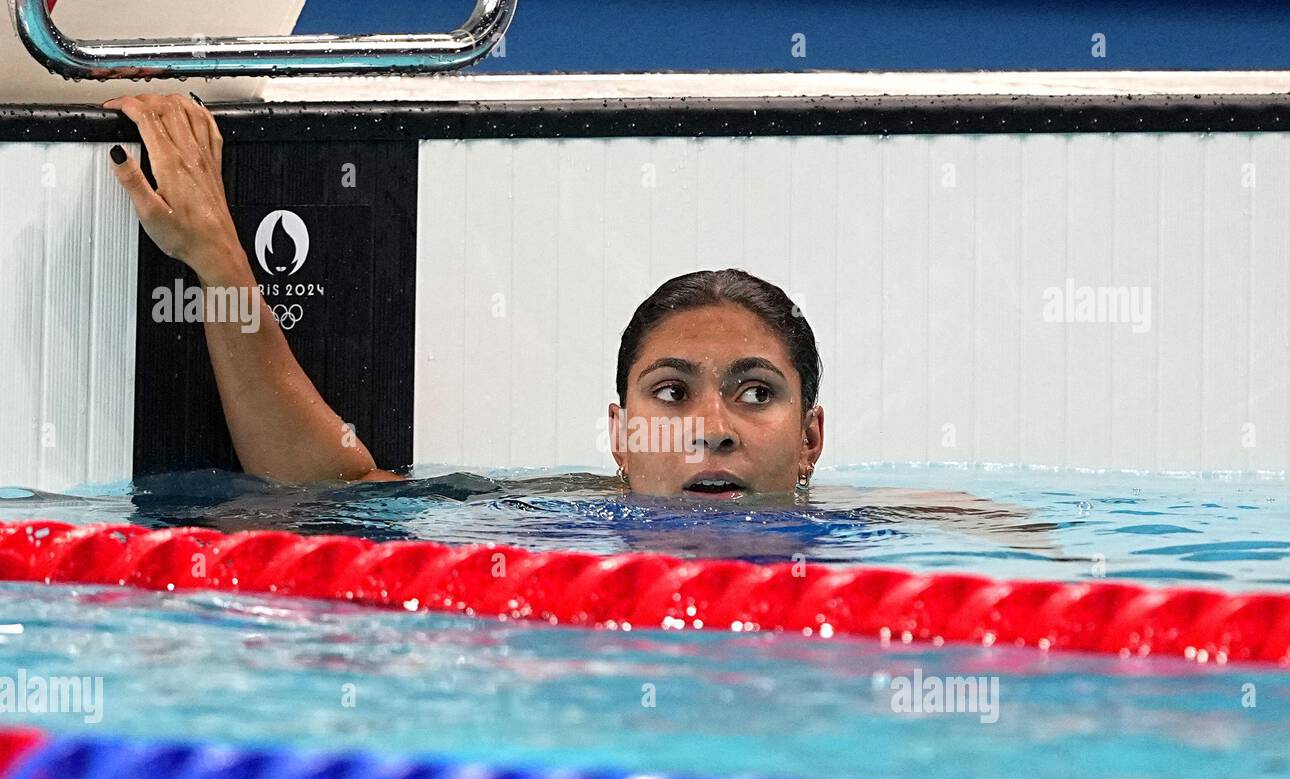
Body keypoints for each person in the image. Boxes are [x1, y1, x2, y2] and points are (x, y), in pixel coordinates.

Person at [101, 93, 821, 499]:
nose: (712, 427)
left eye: (756, 393)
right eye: (670, 394)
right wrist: (218, 258)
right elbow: (325, 485)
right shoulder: (550, 516)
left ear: (809, 440)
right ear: (620, 438)